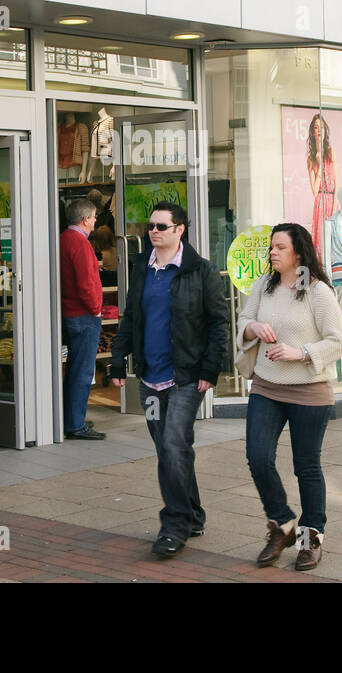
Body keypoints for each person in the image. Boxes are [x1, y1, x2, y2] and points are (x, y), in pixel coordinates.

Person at [109, 202, 229, 558]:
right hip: (150, 378)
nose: (154, 231)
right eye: (151, 226)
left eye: (162, 226)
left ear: (180, 230)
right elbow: (131, 318)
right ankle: (193, 514)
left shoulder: (200, 271)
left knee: (174, 446)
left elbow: (218, 323)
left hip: (186, 377)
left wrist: (210, 370)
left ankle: (174, 525)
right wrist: (118, 362)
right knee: (169, 451)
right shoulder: (143, 269)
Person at [236, 222, 342, 571]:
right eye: (271, 247)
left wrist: (300, 353)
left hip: (310, 391)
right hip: (267, 387)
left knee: (306, 467)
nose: (273, 252)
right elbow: (244, 319)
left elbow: (338, 340)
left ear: (298, 253)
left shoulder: (316, 291)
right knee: (258, 457)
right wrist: (252, 328)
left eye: (280, 247)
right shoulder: (263, 286)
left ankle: (309, 538)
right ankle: (282, 524)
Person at [59, 198, 105, 440]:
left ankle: (70, 418)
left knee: (74, 371)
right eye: (94, 216)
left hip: (68, 313)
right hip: (83, 315)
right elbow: (86, 282)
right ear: (85, 219)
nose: (96, 220)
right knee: (82, 372)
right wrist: (96, 308)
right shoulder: (80, 243)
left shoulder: (63, 239)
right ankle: (75, 424)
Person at [307, 114, 337, 264]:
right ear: (312, 132)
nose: (319, 130)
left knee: (334, 239)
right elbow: (314, 190)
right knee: (320, 242)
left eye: (321, 127)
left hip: (332, 199)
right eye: (316, 127)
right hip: (320, 201)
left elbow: (336, 181)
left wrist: (335, 205)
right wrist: (319, 165)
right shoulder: (311, 158)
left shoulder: (331, 152)